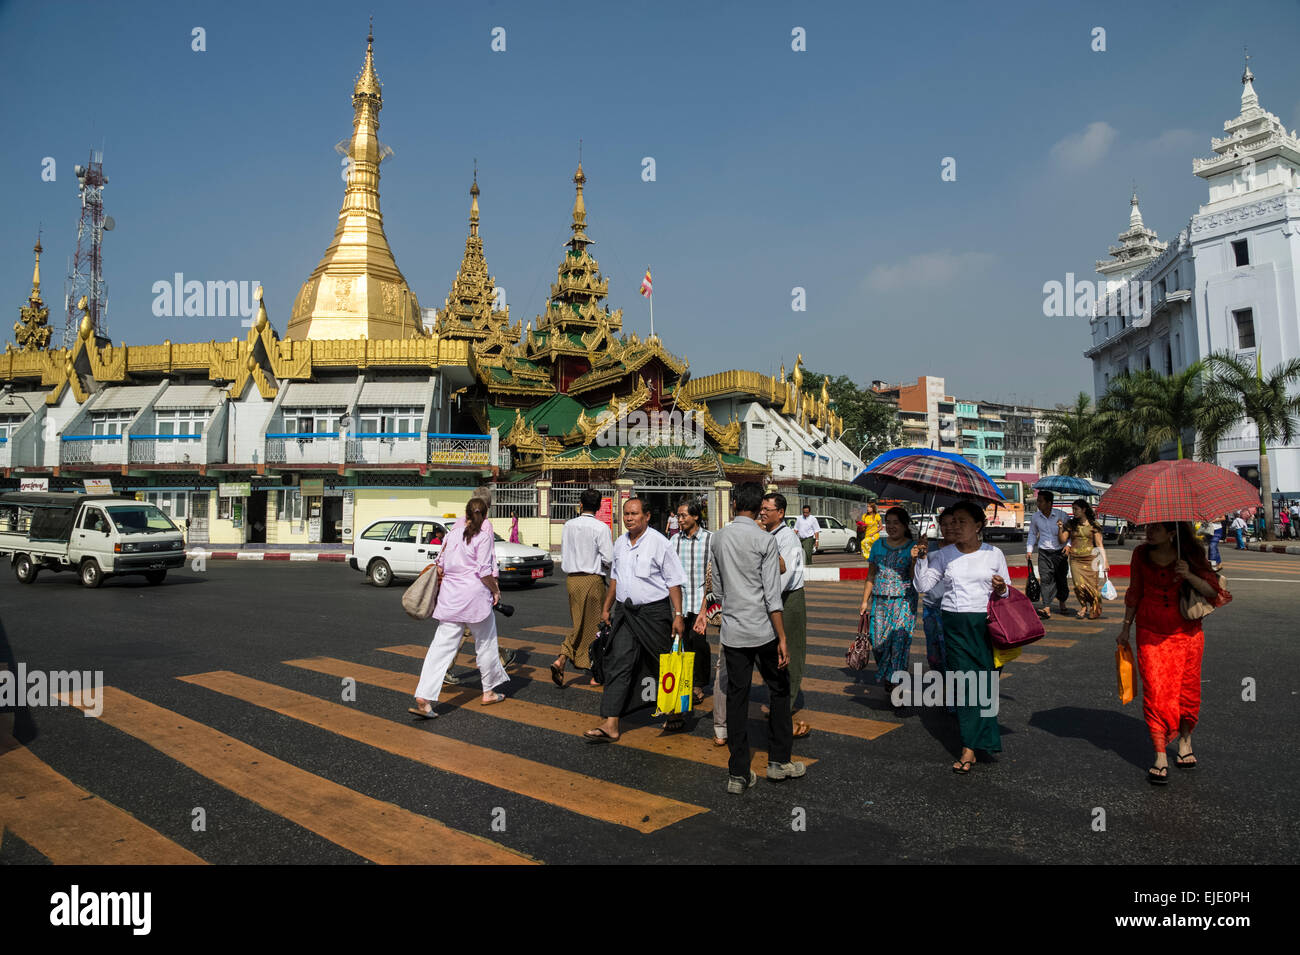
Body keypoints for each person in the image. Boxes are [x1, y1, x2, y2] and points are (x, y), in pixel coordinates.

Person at [711, 482, 804, 793]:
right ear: (757, 508)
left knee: (738, 698)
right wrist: (782, 638)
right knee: (779, 689)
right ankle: (779, 761)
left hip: (733, 632)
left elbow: (719, 591)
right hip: (762, 630)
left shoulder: (719, 538)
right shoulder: (765, 540)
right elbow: (772, 597)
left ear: (735, 503)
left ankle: (738, 773)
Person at [1118, 522, 1228, 785]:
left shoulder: (1190, 553)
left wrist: (1189, 574)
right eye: (1149, 527)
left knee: (1186, 691)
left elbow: (1214, 593)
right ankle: (1159, 754)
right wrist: (1125, 628)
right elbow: (1135, 592)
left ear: (1172, 533)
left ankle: (1185, 742)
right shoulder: (1140, 554)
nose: (1149, 532)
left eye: (1156, 528)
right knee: (1156, 691)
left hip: (1187, 633)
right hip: (1150, 631)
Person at [912, 500, 1010, 773]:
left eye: (961, 521)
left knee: (987, 685)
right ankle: (968, 747)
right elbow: (923, 585)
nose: (954, 526)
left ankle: (986, 740)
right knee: (966, 686)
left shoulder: (994, 554)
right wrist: (921, 558)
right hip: (954, 624)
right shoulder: (944, 555)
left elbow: (1008, 592)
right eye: (952, 521)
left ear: (978, 525)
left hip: (986, 625)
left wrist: (1001, 588)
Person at [582, 498, 686, 743]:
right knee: (619, 662)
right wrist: (607, 608)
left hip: (654, 614)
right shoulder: (619, 543)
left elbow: (673, 581)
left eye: (634, 514)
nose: (629, 518)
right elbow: (616, 579)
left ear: (647, 516)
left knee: (664, 664)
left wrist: (678, 615)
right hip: (626, 614)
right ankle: (611, 723)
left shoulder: (660, 543)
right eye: (626, 514)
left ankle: (675, 711)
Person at [410, 498, 509, 717]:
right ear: (484, 515)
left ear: (465, 514)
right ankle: (489, 691)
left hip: (451, 598)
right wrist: (495, 590)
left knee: (440, 648)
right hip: (475, 598)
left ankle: (424, 696)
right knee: (486, 645)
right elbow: (484, 571)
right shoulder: (483, 537)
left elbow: (441, 565)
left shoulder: (451, 535)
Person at [759, 492, 810, 737]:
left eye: (768, 509)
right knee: (774, 651)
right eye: (762, 508)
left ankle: (785, 705)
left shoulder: (787, 537)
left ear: (780, 512)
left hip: (788, 600)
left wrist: (767, 600)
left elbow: (784, 575)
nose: (763, 512)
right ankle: (778, 699)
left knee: (791, 652)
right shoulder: (768, 535)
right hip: (773, 600)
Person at [856, 506, 918, 704]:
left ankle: (896, 681)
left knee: (899, 642)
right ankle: (890, 673)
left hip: (904, 602)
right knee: (878, 643)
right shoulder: (877, 545)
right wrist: (865, 601)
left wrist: (916, 560)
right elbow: (871, 574)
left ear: (905, 525)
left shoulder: (913, 547)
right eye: (888, 522)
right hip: (880, 601)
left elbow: (917, 579)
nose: (891, 526)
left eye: (896, 522)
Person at [552, 488, 612, 687]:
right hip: (592, 580)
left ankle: (563, 659)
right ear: (598, 506)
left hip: (572, 580)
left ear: (580, 504)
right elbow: (609, 558)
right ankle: (594, 672)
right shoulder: (601, 528)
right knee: (595, 627)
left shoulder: (568, 525)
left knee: (580, 623)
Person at [672, 497, 713, 705]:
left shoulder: (710, 539)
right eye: (678, 516)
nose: (680, 519)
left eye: (684, 515)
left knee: (699, 643)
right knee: (683, 641)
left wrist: (706, 608)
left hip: (701, 601)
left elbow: (713, 575)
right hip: (681, 602)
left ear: (696, 516)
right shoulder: (674, 541)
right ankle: (686, 681)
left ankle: (699, 683)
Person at [919, 510, 956, 703]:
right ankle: (941, 684)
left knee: (952, 652)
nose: (949, 528)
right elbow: (919, 578)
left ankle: (953, 691)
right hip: (931, 606)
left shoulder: (962, 549)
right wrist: (920, 554)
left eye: (953, 523)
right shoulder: (930, 546)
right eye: (945, 524)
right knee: (934, 653)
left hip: (953, 610)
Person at [1026, 489, 1071, 620]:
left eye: (1040, 501)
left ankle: (1062, 601)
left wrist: (1068, 545)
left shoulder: (1062, 515)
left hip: (1060, 553)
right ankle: (1046, 607)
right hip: (1044, 552)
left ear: (1049, 503)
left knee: (1061, 579)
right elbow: (1032, 534)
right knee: (1045, 579)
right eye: (1038, 501)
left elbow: (1071, 533)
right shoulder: (1035, 517)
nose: (1038, 504)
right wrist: (1029, 549)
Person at [1061, 498, 1107, 620]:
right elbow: (1062, 540)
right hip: (1075, 559)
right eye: (1073, 509)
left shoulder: (1094, 525)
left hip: (1092, 560)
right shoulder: (1071, 524)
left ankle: (1094, 606)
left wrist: (1105, 561)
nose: (1074, 511)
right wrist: (1061, 528)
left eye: (1076, 509)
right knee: (1078, 585)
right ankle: (1083, 606)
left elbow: (1099, 544)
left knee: (1092, 587)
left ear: (1084, 509)